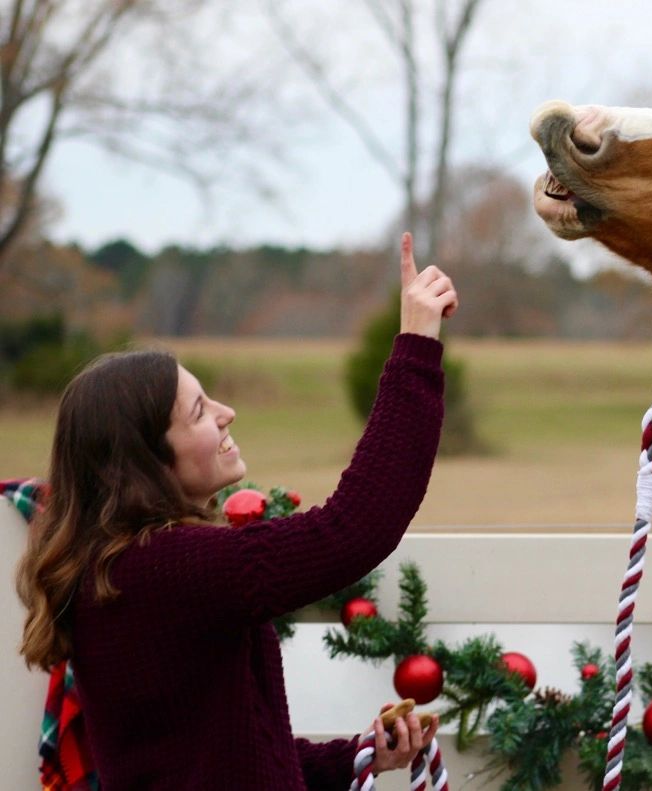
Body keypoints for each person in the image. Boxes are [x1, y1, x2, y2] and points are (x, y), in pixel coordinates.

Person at [16, 232, 457, 789]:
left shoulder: (126, 567)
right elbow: (353, 529)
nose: (226, 413)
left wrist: (357, 756)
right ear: (148, 457)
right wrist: (417, 346)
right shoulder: (169, 567)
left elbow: (231, 756)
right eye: (199, 412)